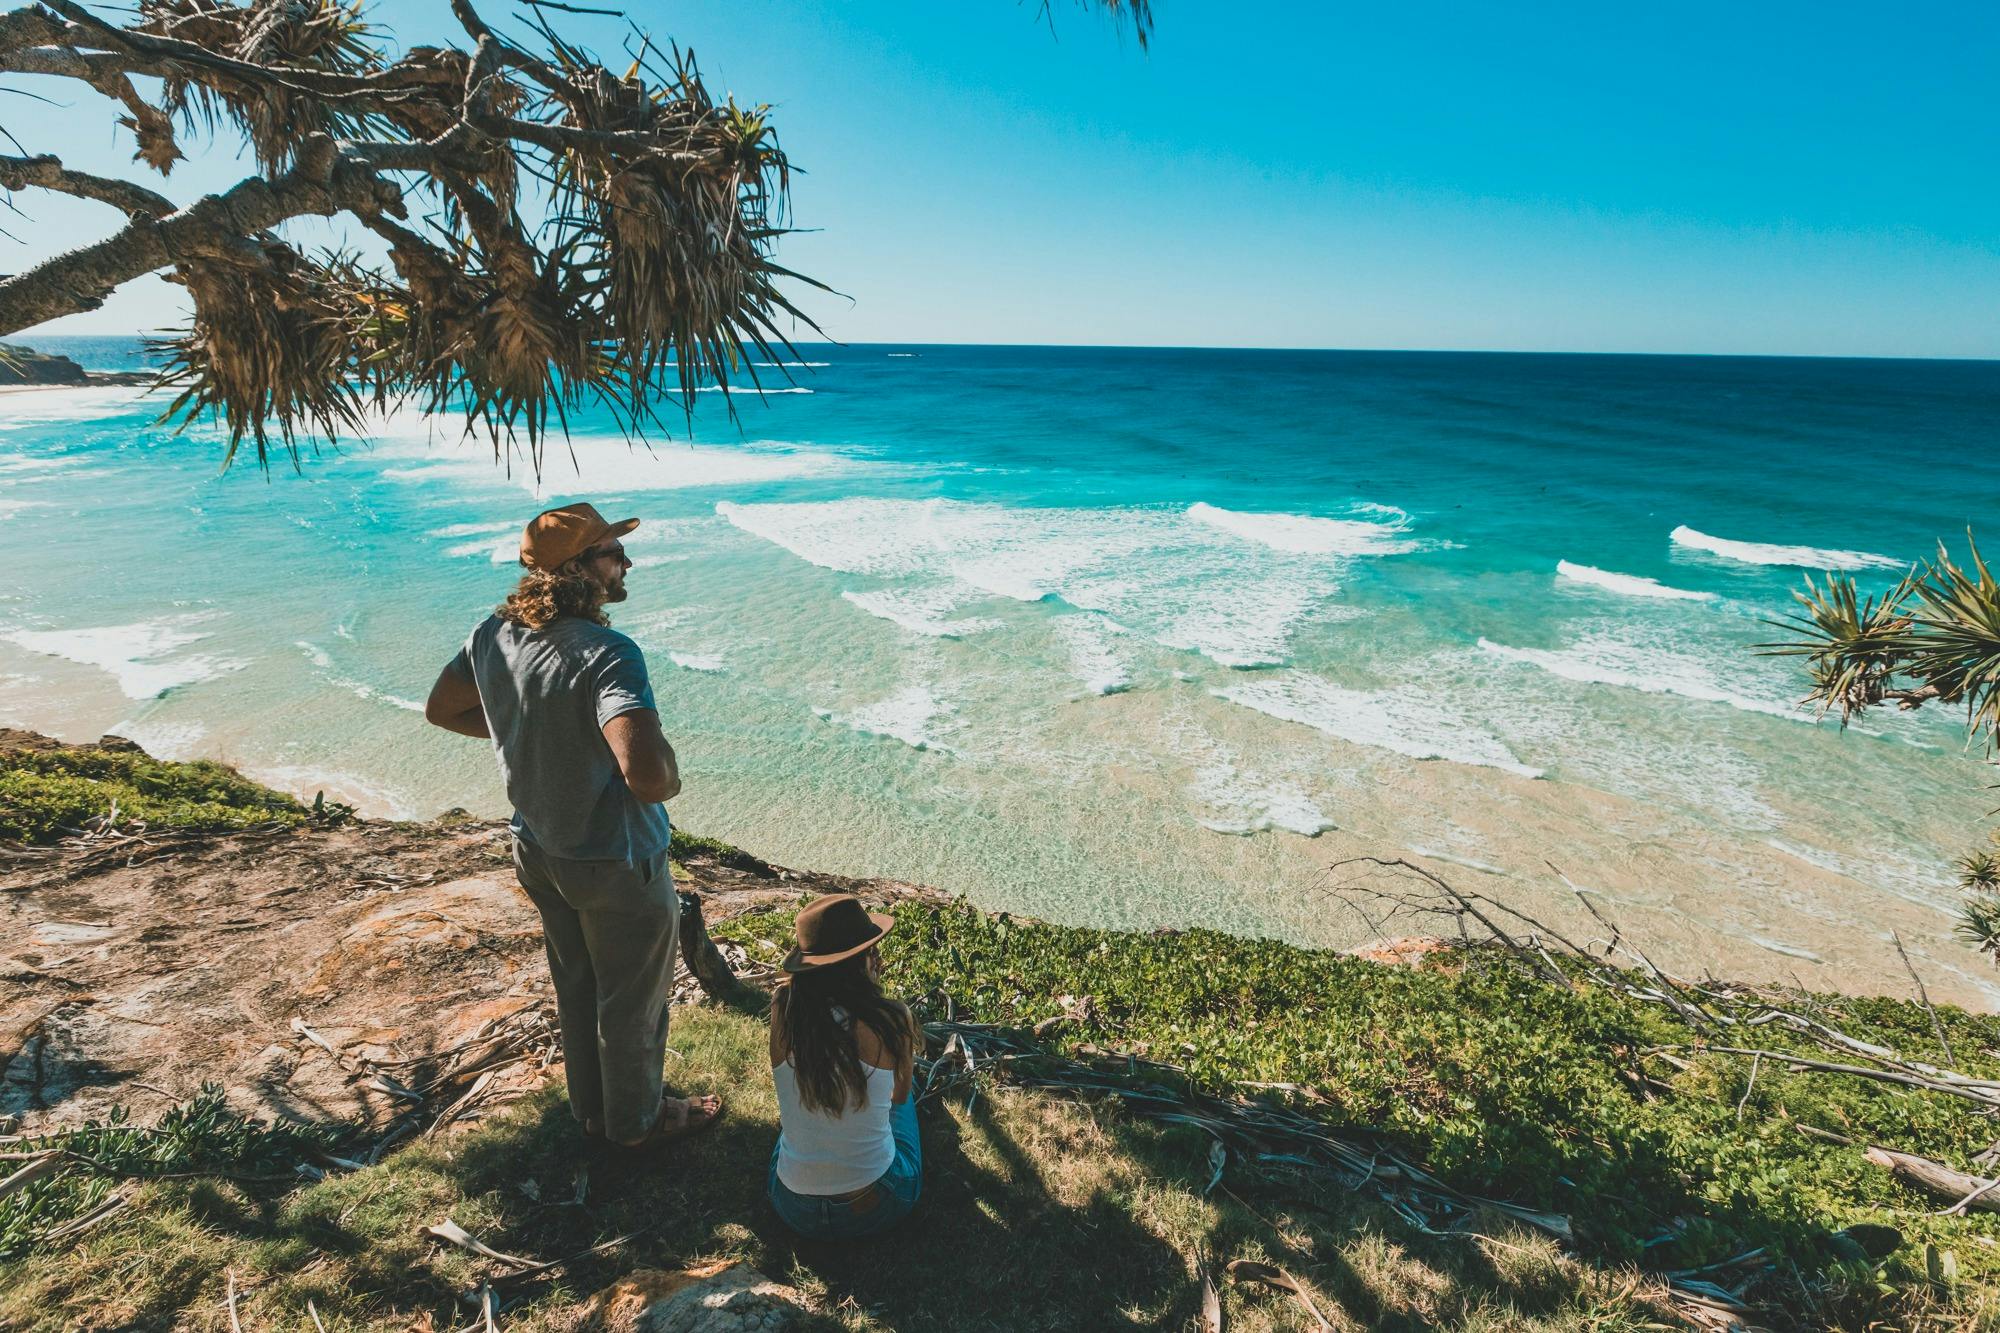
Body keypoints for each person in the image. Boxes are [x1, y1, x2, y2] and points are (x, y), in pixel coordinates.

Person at [424, 501, 721, 1150]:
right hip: (617, 859)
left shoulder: (491, 633)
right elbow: (646, 772)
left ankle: (595, 1112)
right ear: (578, 569)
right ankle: (638, 1125)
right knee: (632, 1003)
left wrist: (527, 733)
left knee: (578, 986)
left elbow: (441, 709)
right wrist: (668, 777)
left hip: (538, 847)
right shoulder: (608, 652)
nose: (627, 562)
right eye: (613, 552)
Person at [768, 894, 923, 1240]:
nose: (879, 959)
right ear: (859, 961)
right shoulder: (891, 1020)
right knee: (906, 1103)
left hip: (794, 1207)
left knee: (792, 1127)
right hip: (875, 1205)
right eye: (873, 951)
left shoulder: (783, 1008)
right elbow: (898, 1096)